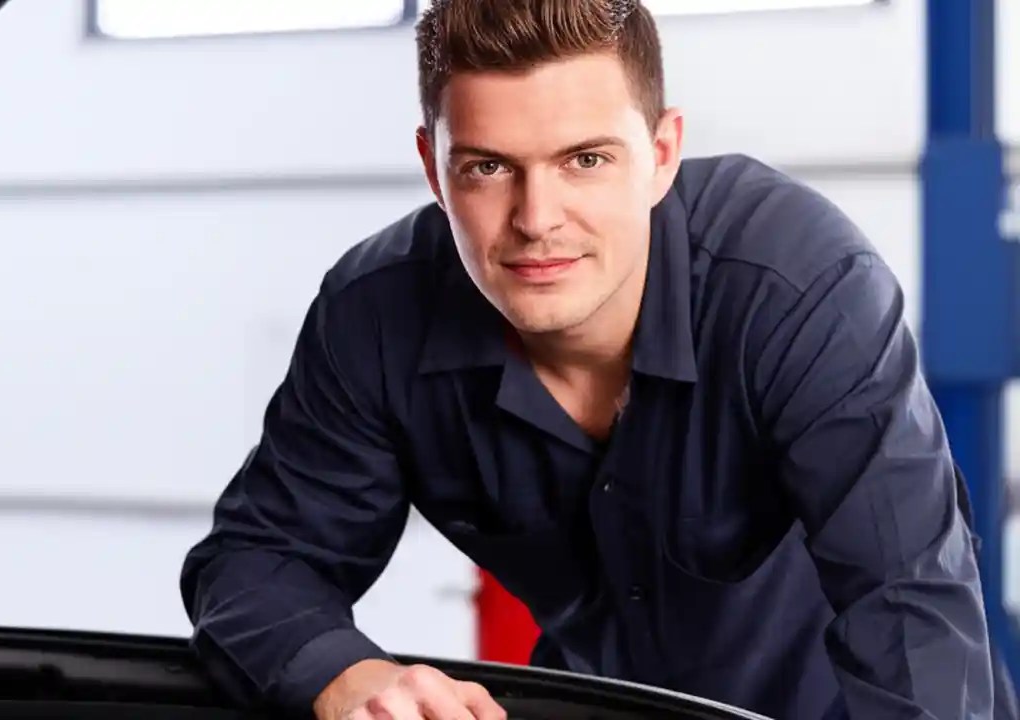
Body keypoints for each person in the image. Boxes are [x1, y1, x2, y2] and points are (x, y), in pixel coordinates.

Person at [179, 1, 1019, 718]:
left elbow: (911, 608)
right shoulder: (375, 318)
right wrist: (346, 672)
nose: (537, 218)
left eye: (584, 160)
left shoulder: (796, 285)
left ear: (660, 154)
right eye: (488, 168)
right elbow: (255, 562)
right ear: (434, 168)